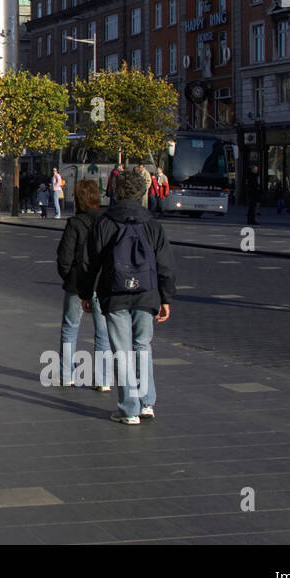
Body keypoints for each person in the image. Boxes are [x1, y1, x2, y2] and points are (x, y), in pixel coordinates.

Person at [80, 168, 177, 425]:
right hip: (147, 293)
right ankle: (147, 402)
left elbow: (90, 262)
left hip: (115, 293)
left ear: (115, 191)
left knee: (121, 351)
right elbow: (165, 265)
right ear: (142, 192)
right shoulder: (152, 224)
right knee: (142, 346)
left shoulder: (105, 222)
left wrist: (86, 293)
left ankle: (128, 408)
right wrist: (166, 297)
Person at [56, 179, 111, 391]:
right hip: (102, 283)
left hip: (77, 283)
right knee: (103, 332)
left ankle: (66, 374)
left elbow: (64, 256)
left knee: (70, 328)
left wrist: (69, 277)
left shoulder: (75, 223)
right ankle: (103, 379)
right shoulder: (106, 222)